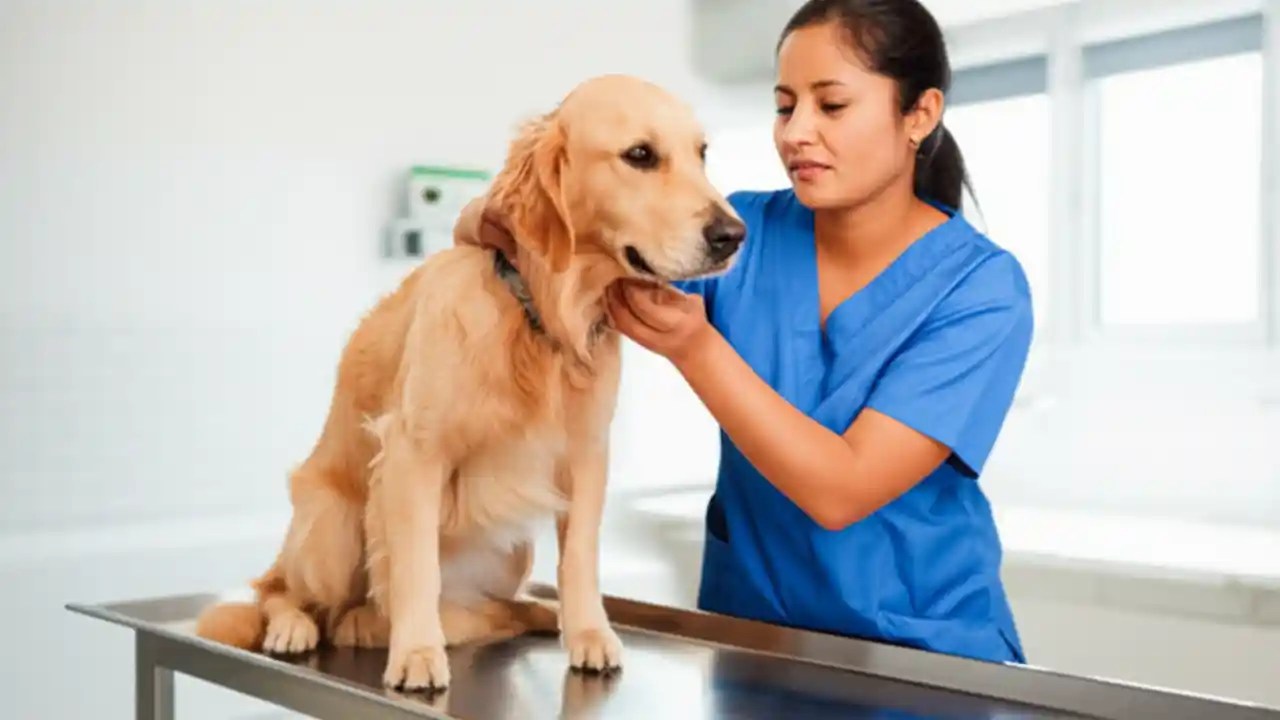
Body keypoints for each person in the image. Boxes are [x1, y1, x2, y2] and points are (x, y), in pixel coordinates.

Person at [477, 0, 1034, 665]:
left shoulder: (980, 289)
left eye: (831, 107)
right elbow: (510, 231)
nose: (796, 133)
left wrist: (696, 348)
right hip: (754, 647)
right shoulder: (740, 231)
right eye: (784, 105)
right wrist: (514, 207)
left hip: (926, 661)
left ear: (919, 114)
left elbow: (841, 491)